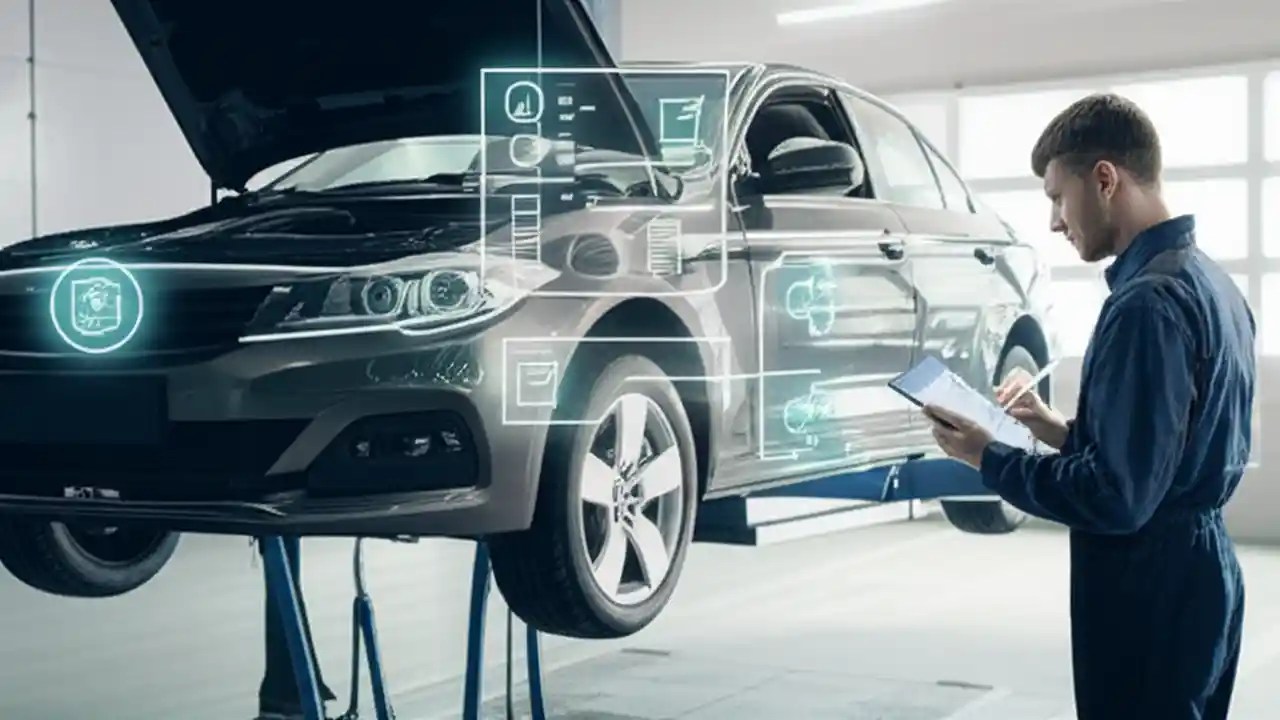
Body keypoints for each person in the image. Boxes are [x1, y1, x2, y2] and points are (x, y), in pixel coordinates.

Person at [923, 93, 1253, 720]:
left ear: (1105, 179)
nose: (1053, 221)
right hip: (1203, 574)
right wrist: (1056, 430)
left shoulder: (1146, 306)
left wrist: (987, 458)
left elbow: (1117, 496)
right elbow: (1166, 453)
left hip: (1148, 593)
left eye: (1056, 196)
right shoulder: (1210, 283)